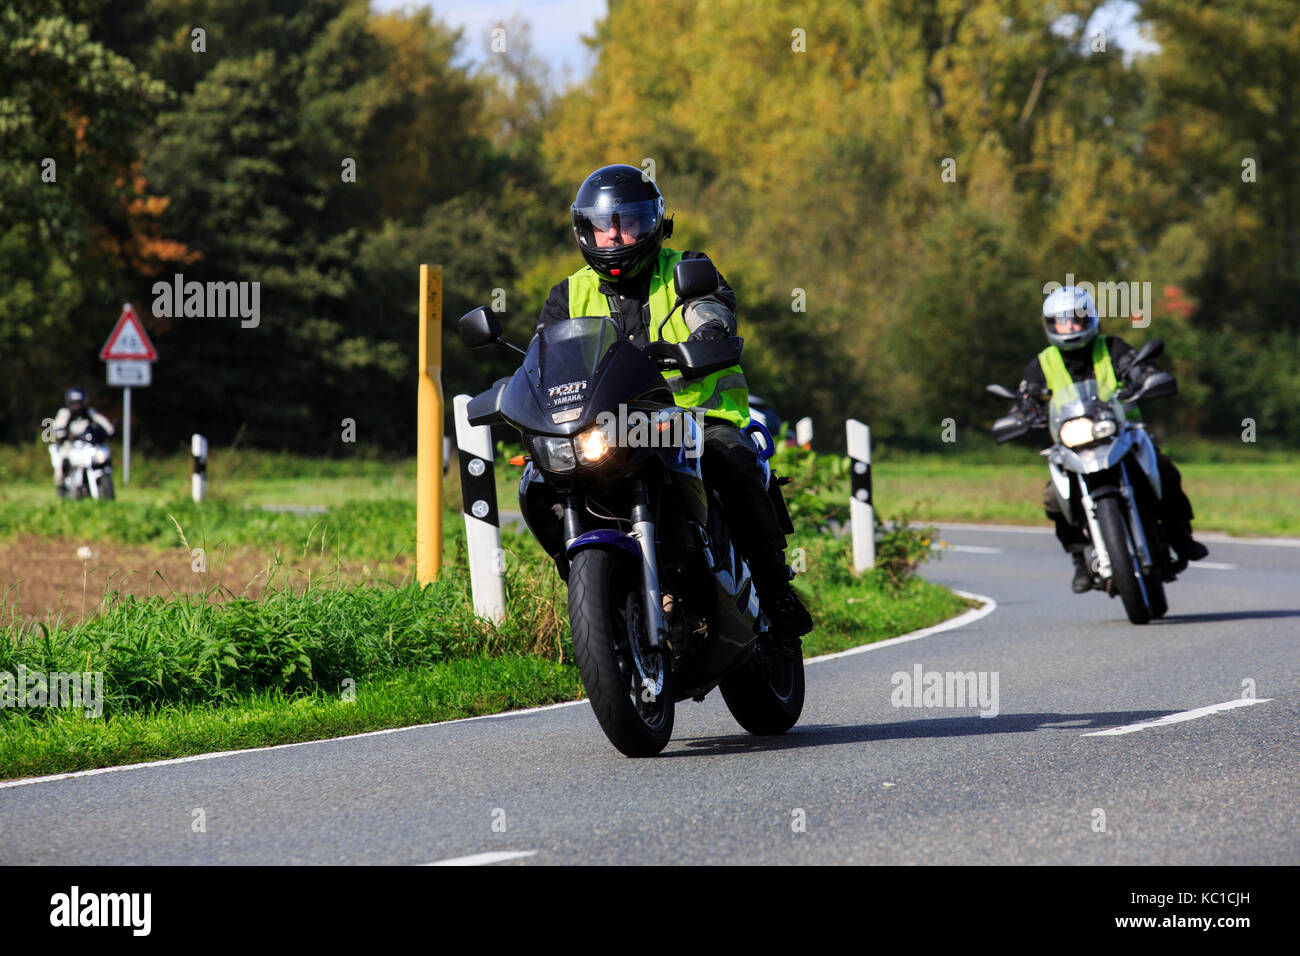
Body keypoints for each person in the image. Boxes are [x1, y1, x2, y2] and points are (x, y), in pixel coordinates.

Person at [535, 164, 813, 644]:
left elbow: (709, 305)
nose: (617, 235)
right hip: (608, 426)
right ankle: (596, 591)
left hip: (692, 416)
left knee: (732, 457)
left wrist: (707, 331)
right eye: (605, 225)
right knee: (538, 483)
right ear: (586, 230)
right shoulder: (568, 293)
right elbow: (545, 355)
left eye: (631, 222)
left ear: (656, 223)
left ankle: (773, 585)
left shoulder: (688, 267)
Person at [1009, 286, 1208, 592]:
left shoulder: (1112, 347)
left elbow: (1137, 366)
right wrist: (1021, 413)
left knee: (1166, 471)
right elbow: (1027, 395)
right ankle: (1080, 561)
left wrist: (1147, 376)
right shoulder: (1042, 363)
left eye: (1076, 319)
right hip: (1073, 445)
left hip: (1121, 434)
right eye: (1062, 322)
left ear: (1090, 319)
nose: (1070, 327)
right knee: (1053, 498)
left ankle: (1182, 538)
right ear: (1050, 326)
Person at [49, 387, 115, 495]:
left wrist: (110, 429)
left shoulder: (89, 412)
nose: (77, 406)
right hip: (70, 444)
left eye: (79, 403)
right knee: (62, 462)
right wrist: (60, 431)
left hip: (87, 444)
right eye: (75, 403)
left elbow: (100, 420)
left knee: (102, 456)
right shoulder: (65, 413)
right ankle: (60, 486)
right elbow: (58, 425)